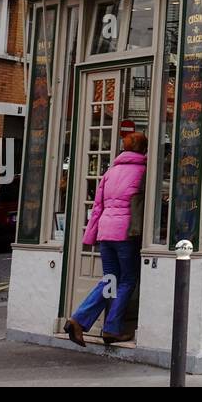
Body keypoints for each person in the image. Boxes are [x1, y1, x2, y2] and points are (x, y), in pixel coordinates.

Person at [64, 132, 148, 346]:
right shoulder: (144, 171)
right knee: (127, 280)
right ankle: (111, 328)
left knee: (110, 279)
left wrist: (92, 234)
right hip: (126, 233)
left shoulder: (110, 172)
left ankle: (78, 320)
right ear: (144, 149)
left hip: (105, 231)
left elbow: (98, 206)